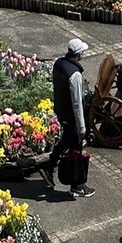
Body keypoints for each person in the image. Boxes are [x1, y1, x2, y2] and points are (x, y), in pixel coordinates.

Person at [39, 39, 94, 199]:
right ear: (78, 54)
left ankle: (49, 167)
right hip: (71, 116)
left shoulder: (59, 64)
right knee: (76, 148)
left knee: (65, 141)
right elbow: (77, 103)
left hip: (61, 111)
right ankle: (77, 185)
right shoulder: (75, 75)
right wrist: (82, 127)